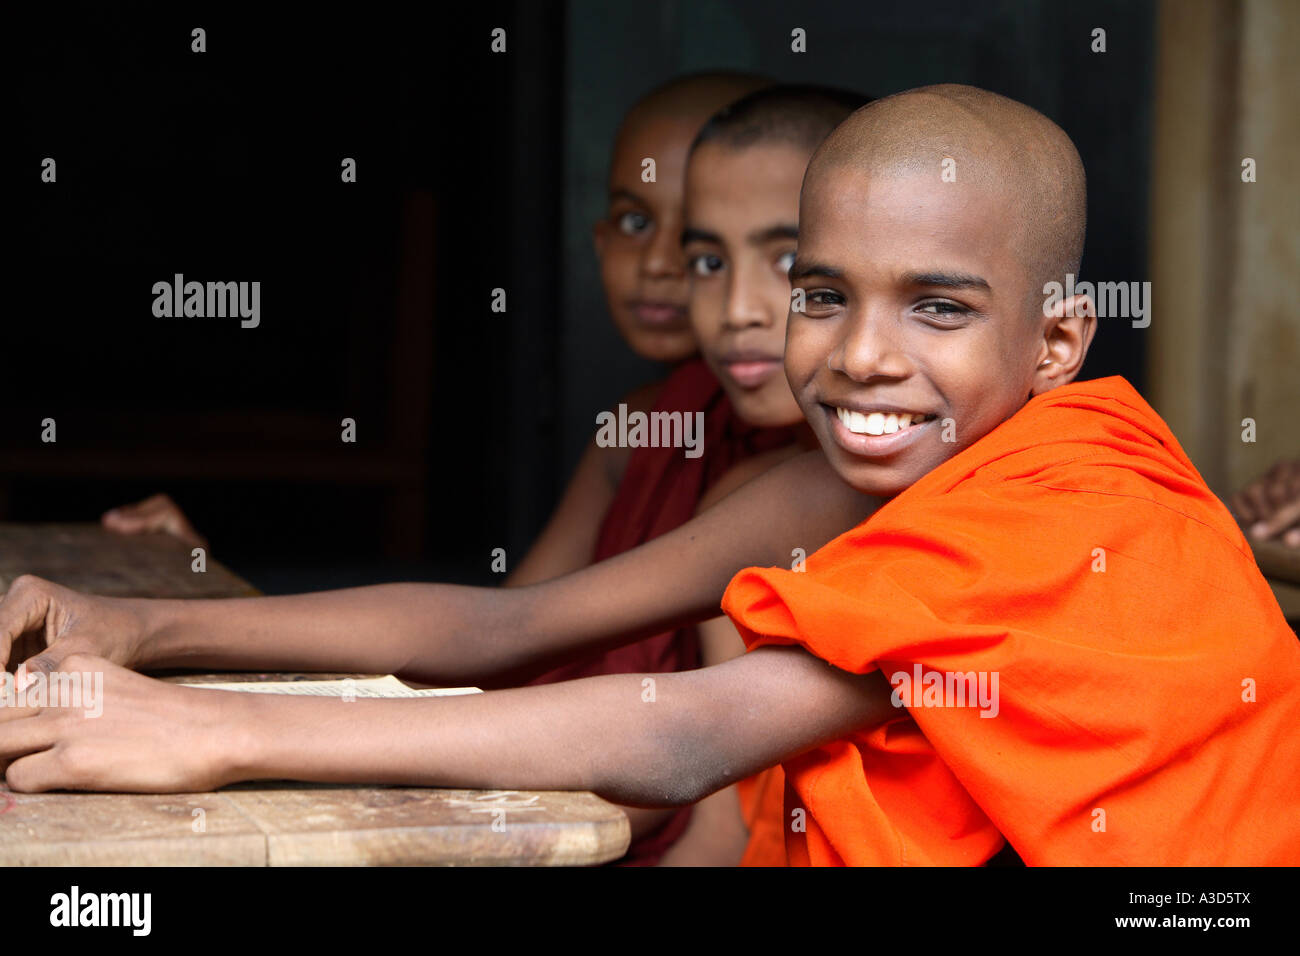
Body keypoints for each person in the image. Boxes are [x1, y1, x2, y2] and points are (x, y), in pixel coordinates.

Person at [4, 85, 1297, 866]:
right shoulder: (846, 488)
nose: (858, 356)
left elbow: (680, 735)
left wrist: (218, 733)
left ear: (1059, 340)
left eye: (939, 308)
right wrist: (145, 626)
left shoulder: (1072, 498)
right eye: (827, 294)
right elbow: (510, 623)